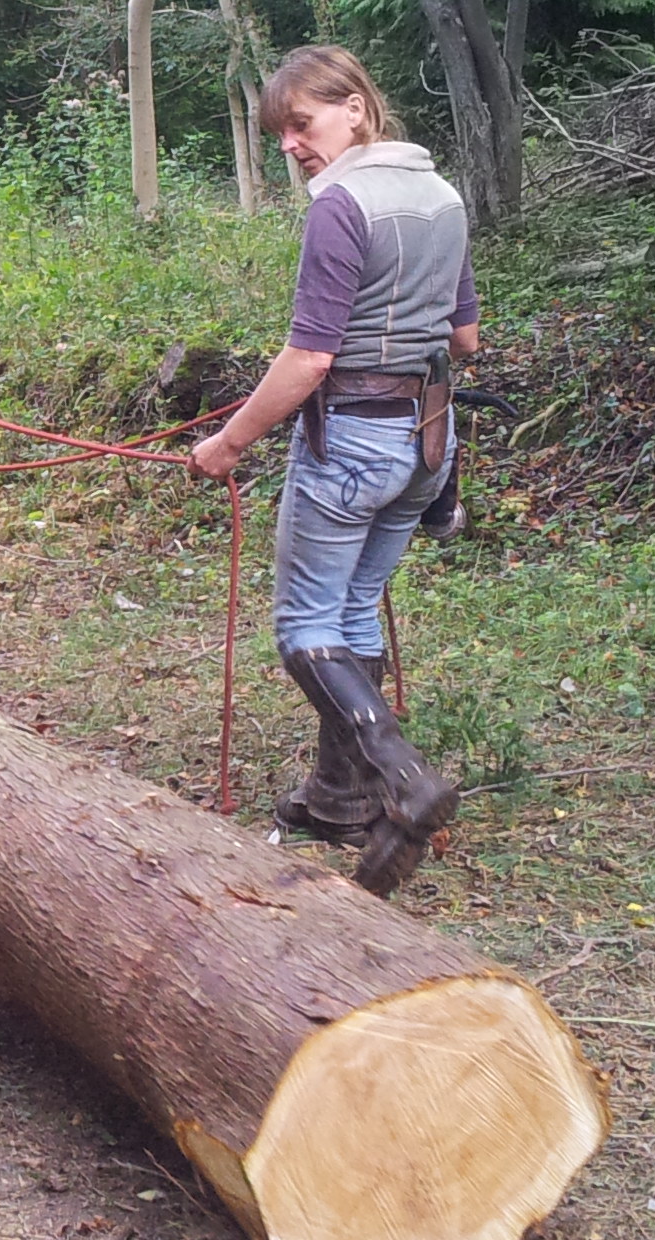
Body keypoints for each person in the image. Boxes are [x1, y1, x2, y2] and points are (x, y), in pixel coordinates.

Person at [188, 46, 478, 895]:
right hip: (430, 441)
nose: (290, 144)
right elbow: (465, 341)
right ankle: (339, 797)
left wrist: (230, 442)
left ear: (355, 109)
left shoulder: (341, 206)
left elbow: (310, 361)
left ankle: (403, 780)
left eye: (301, 124)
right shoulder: (444, 195)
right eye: (280, 133)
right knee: (352, 615)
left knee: (306, 630)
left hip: (352, 442)